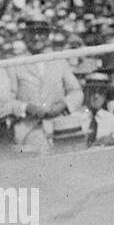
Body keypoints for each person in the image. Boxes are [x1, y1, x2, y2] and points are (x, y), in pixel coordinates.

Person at [9, 13, 82, 151]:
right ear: (25, 36)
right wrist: (26, 107)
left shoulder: (58, 60)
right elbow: (8, 100)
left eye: (41, 33)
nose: (36, 37)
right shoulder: (15, 63)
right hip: (28, 129)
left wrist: (63, 105)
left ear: (48, 35)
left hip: (59, 126)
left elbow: (76, 91)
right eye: (32, 33)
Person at [79, 72, 114, 147]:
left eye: (100, 92)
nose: (96, 96)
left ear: (105, 94)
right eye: (92, 91)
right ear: (86, 92)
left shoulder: (112, 119)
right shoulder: (77, 118)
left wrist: (113, 142)